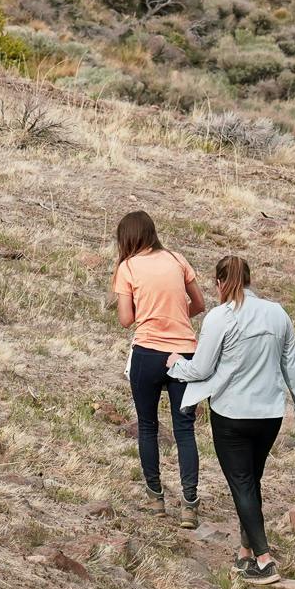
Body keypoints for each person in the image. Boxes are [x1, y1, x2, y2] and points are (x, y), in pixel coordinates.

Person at [167, 255, 295, 586]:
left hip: (232, 414)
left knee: (243, 484)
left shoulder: (220, 317)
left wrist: (176, 364)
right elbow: (293, 365)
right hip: (269, 415)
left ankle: (264, 561)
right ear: (249, 279)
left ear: (220, 284)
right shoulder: (277, 313)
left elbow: (202, 368)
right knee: (250, 481)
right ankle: (245, 554)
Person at [112, 211, 207, 527]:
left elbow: (126, 320)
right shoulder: (177, 259)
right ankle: (190, 505)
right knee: (185, 430)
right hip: (184, 352)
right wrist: (176, 315)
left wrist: (148, 312)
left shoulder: (127, 268)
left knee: (148, 426)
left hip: (148, 352)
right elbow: (199, 304)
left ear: (127, 238)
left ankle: (156, 501)